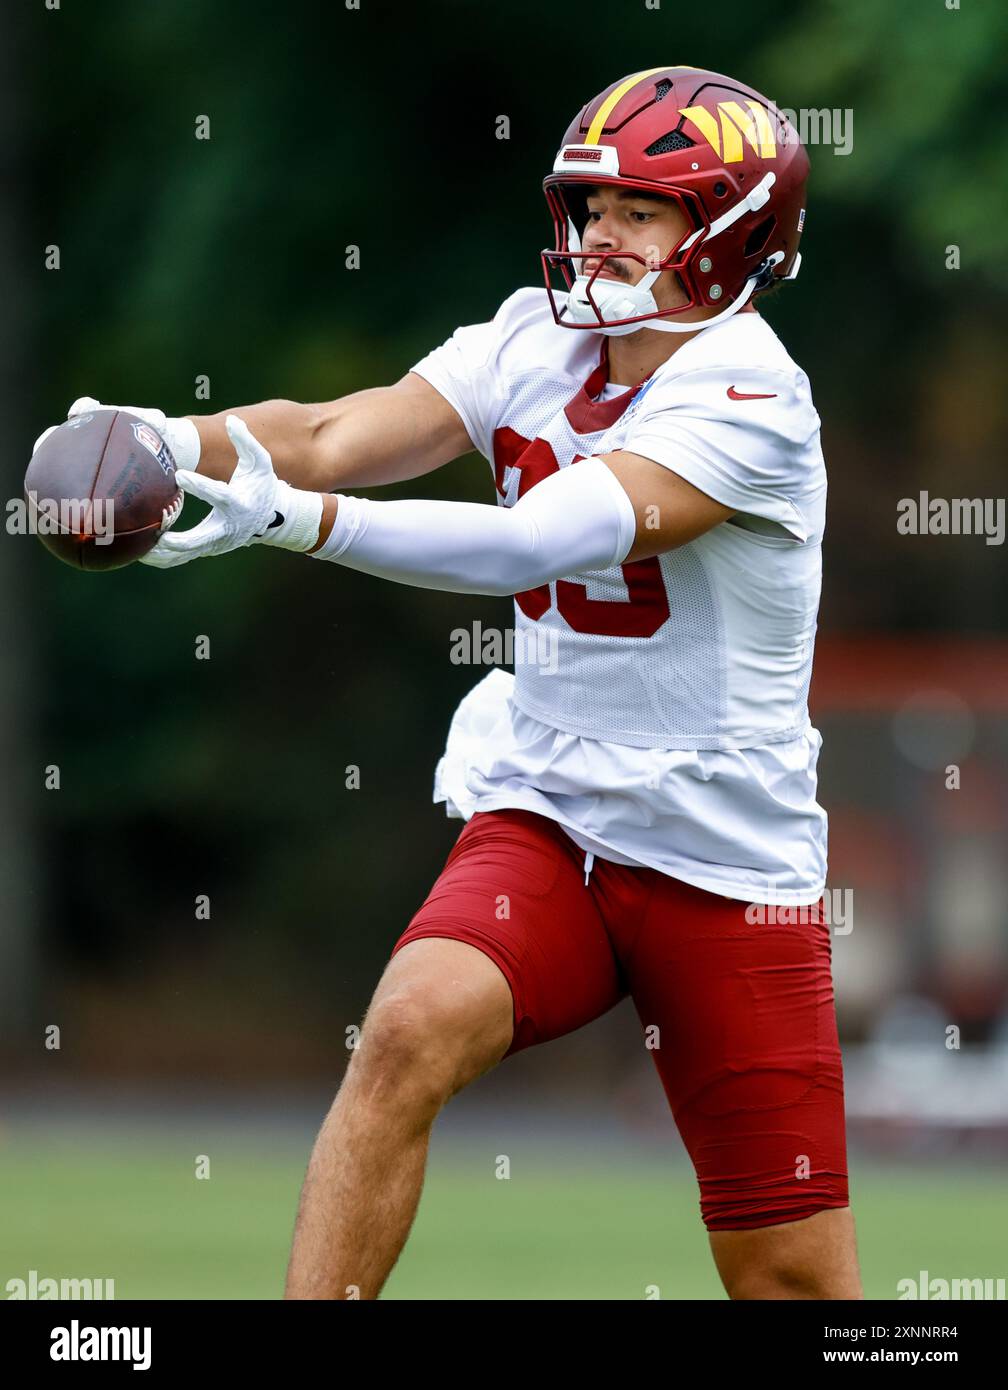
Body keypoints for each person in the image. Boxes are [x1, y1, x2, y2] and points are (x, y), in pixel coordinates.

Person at [37, 66, 862, 1299]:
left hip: (720, 852)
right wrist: (165, 436)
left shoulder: (751, 395)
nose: (597, 239)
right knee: (409, 1029)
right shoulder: (533, 338)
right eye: (590, 209)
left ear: (732, 230)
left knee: (788, 1278)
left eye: (641, 211)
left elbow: (535, 543)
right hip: (552, 801)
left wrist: (292, 523)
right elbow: (330, 433)